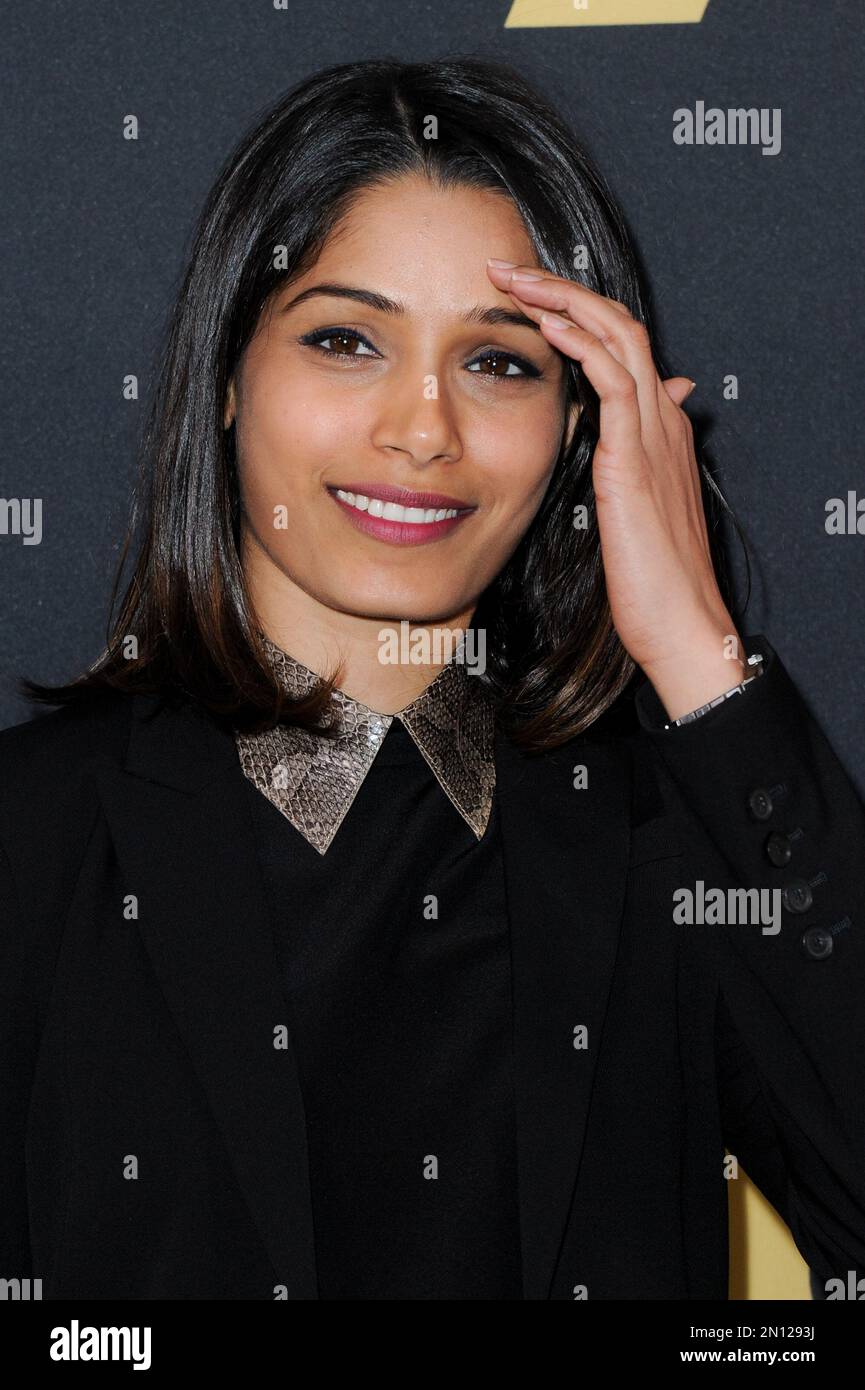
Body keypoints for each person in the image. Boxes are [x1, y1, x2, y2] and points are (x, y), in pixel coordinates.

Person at [2, 55, 864, 1302]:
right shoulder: (35, 839)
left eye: (499, 361)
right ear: (231, 376)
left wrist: (692, 651)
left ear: (583, 423)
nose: (422, 427)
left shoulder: (671, 840)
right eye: (346, 339)